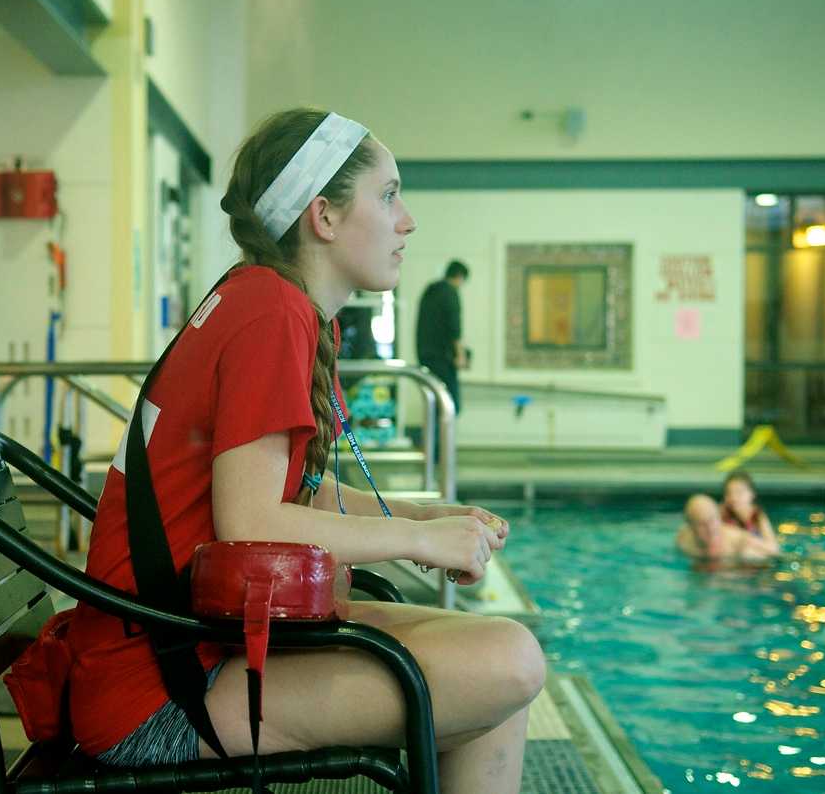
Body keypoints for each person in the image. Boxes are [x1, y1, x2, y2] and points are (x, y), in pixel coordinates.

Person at [66, 109, 544, 793]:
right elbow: (253, 521)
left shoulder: (267, 302)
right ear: (323, 216)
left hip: (194, 641)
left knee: (498, 674)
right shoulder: (271, 315)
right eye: (388, 195)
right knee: (511, 662)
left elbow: (290, 490)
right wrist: (422, 542)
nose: (406, 220)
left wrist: (424, 516)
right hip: (162, 684)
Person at [676, 470, 780, 563]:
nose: (734, 498)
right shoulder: (720, 512)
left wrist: (746, 542)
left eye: (739, 492)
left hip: (752, 544)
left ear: (752, 494)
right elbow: (701, 519)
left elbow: (773, 548)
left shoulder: (757, 516)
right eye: (729, 493)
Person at [416, 260, 469, 414]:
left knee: (433, 405)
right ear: (459, 276)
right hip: (443, 359)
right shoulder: (451, 293)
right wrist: (460, 355)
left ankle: (434, 438)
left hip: (425, 356)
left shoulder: (430, 290)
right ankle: (443, 438)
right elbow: (454, 328)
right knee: (450, 406)